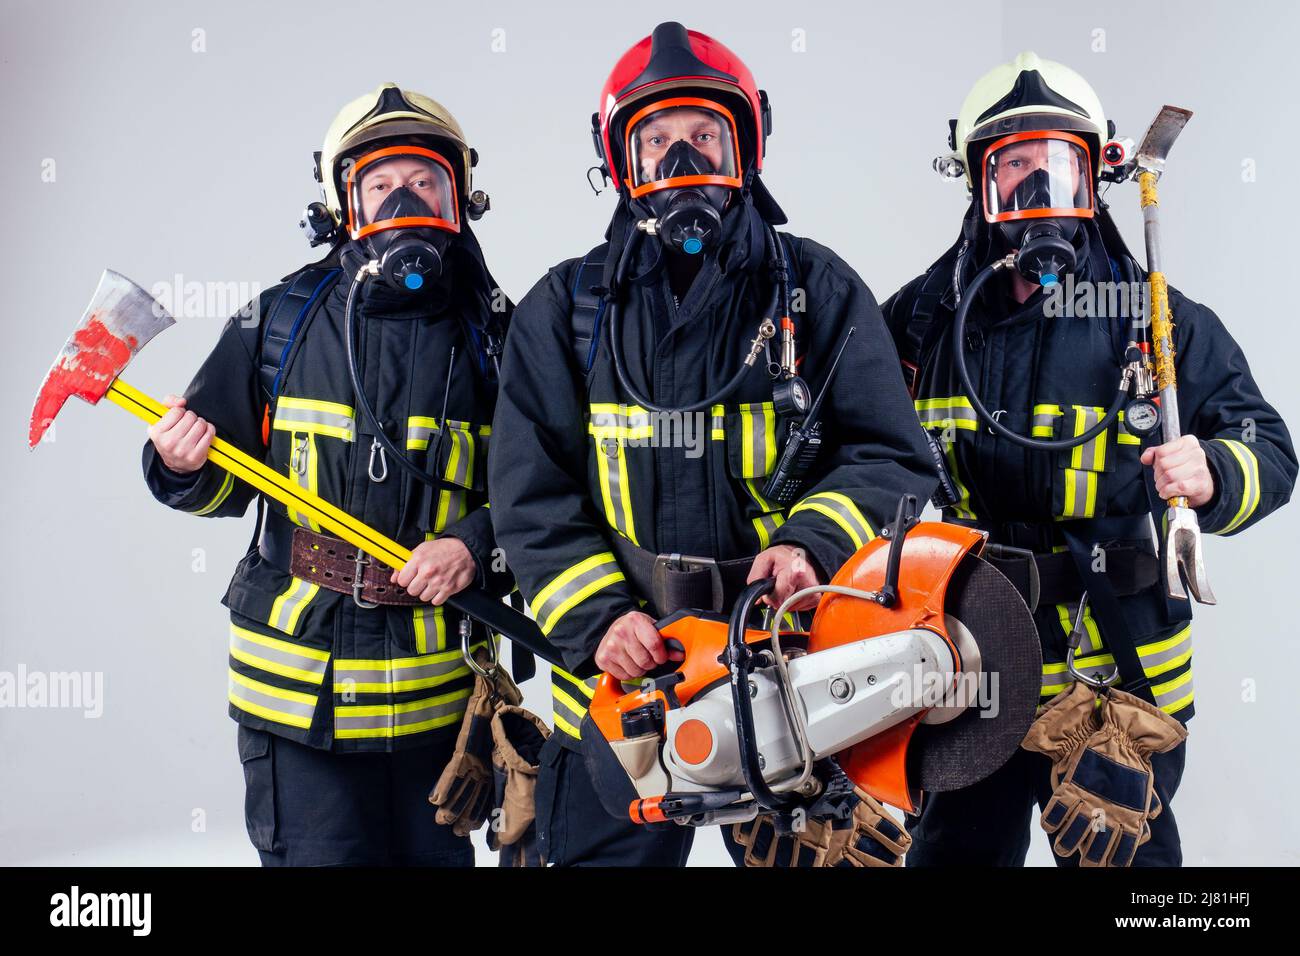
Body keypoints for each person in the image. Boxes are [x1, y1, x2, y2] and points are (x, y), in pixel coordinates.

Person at [489, 21, 936, 866]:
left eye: (704, 136)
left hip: (790, 662)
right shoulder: (567, 310)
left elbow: (894, 457)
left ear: (748, 145)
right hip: (629, 676)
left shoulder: (816, 292)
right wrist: (599, 621)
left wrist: (810, 546)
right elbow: (529, 493)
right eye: (655, 140)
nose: (680, 160)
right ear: (619, 159)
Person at [882, 52, 1297, 866]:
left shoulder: (1157, 322)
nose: (1041, 195)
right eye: (1015, 172)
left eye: (1061, 168)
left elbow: (1272, 452)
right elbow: (854, 455)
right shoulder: (920, 325)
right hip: (972, 668)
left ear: (1098, 174)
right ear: (978, 185)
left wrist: (1214, 470)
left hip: (1117, 677)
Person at [142, 83, 512, 866]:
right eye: (379, 185)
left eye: (425, 183)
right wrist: (179, 464)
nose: (401, 200)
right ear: (341, 206)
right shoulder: (276, 321)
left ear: (460, 200)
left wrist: (476, 544)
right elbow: (223, 484)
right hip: (296, 701)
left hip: (436, 702)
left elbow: (539, 490)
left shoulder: (499, 338)